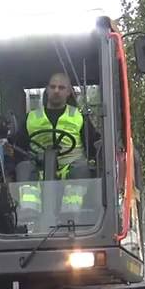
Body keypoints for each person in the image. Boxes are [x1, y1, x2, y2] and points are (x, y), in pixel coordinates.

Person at [12, 71, 100, 220]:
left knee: (82, 169)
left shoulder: (79, 117)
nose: (56, 91)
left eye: (61, 87)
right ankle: (29, 212)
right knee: (23, 167)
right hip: (39, 170)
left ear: (69, 92)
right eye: (53, 87)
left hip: (70, 169)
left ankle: (70, 213)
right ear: (47, 89)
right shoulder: (30, 118)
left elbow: (93, 145)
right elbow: (18, 148)